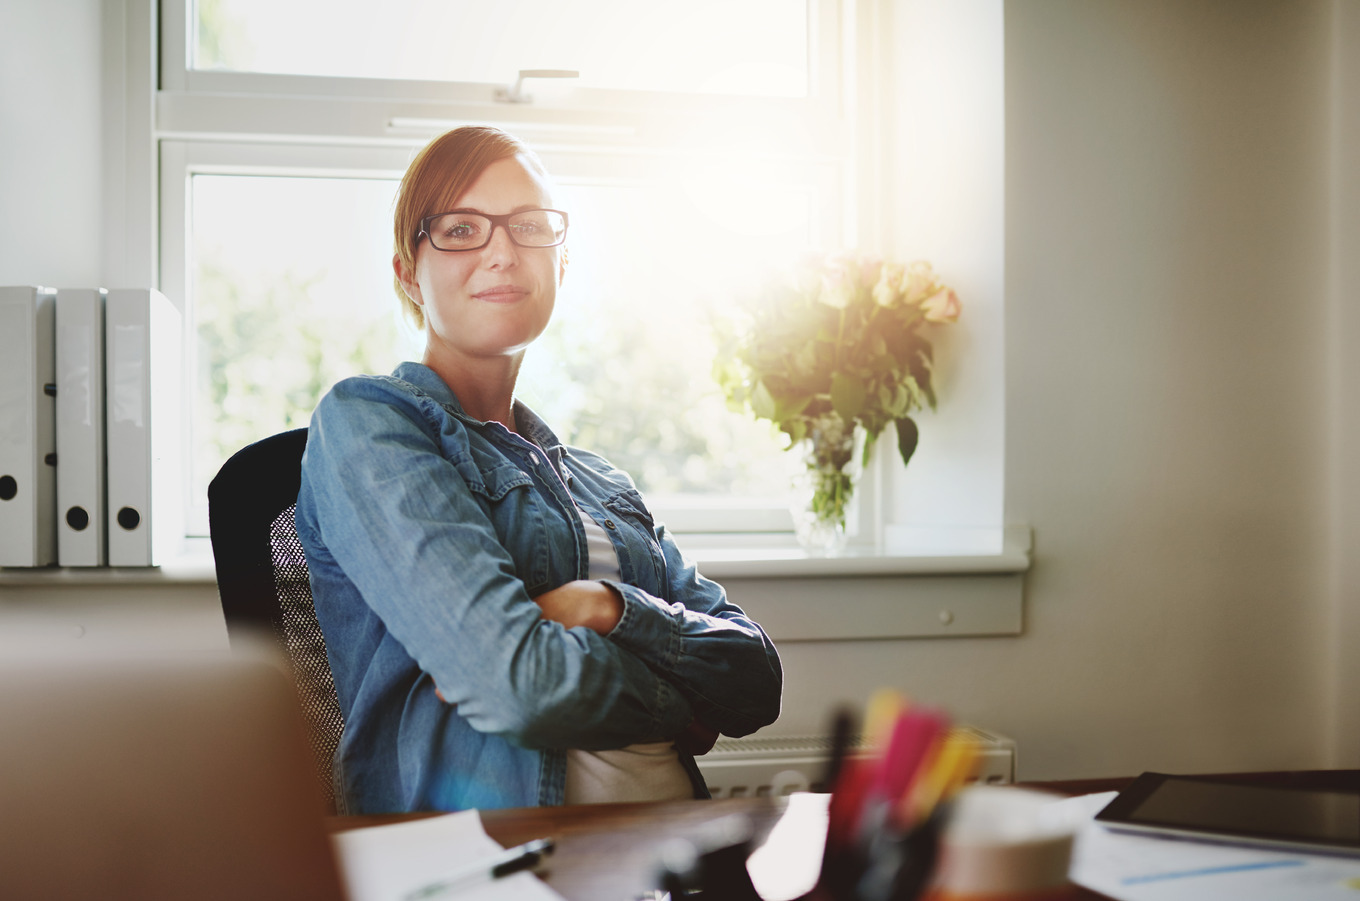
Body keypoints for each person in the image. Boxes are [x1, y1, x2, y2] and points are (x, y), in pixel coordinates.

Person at [294, 126, 783, 815]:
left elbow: (757, 679)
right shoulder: (369, 422)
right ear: (408, 274)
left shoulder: (600, 482)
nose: (502, 252)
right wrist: (682, 706)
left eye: (528, 226)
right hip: (497, 855)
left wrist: (606, 606)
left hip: (674, 847)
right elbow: (520, 686)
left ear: (562, 263)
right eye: (461, 229)